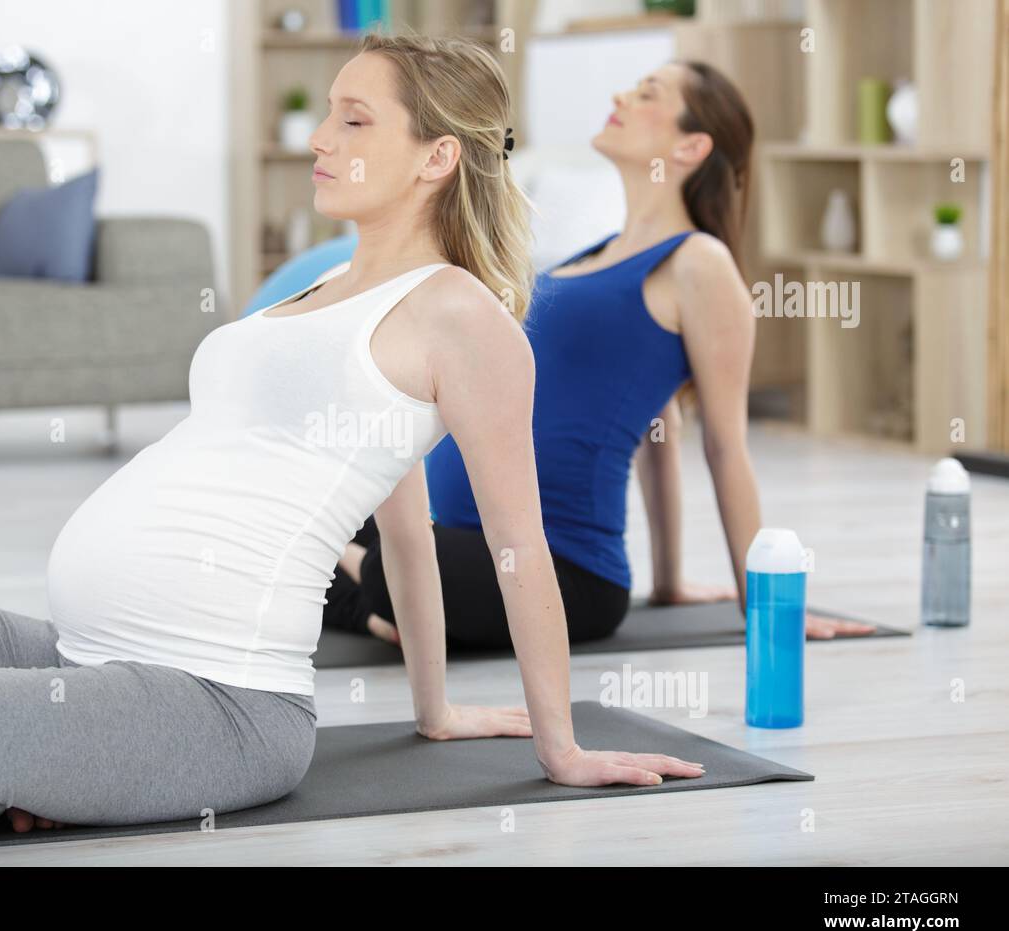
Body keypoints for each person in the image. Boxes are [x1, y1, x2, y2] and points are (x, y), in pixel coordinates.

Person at [0, 35, 704, 834]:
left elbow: (517, 549)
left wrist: (561, 745)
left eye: (355, 120)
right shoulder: (317, 292)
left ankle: (13, 752)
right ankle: (40, 758)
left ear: (437, 158)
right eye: (328, 113)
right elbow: (407, 535)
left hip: (220, 704)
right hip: (82, 658)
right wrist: (436, 710)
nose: (321, 138)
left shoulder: (462, 319)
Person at [324, 61, 876, 650]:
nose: (622, 95)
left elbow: (725, 444)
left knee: (395, 560)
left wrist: (760, 604)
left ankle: (375, 590)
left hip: (563, 569)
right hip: (467, 534)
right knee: (311, 507)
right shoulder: (591, 256)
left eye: (647, 94)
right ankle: (383, 603)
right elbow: (661, 423)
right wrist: (668, 582)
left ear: (691, 145)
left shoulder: (698, 263)